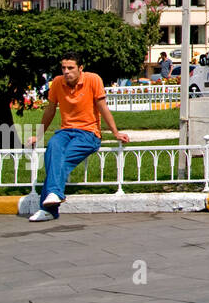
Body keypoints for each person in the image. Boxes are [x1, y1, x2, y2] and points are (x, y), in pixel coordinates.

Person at [27, 53, 131, 222]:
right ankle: (54, 196)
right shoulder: (57, 83)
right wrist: (38, 136)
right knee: (53, 146)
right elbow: (50, 110)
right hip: (65, 131)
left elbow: (102, 107)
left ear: (80, 68)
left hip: (89, 133)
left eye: (70, 68)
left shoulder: (93, 79)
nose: (66, 72)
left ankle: (48, 209)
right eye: (63, 68)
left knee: (57, 163)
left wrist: (115, 132)